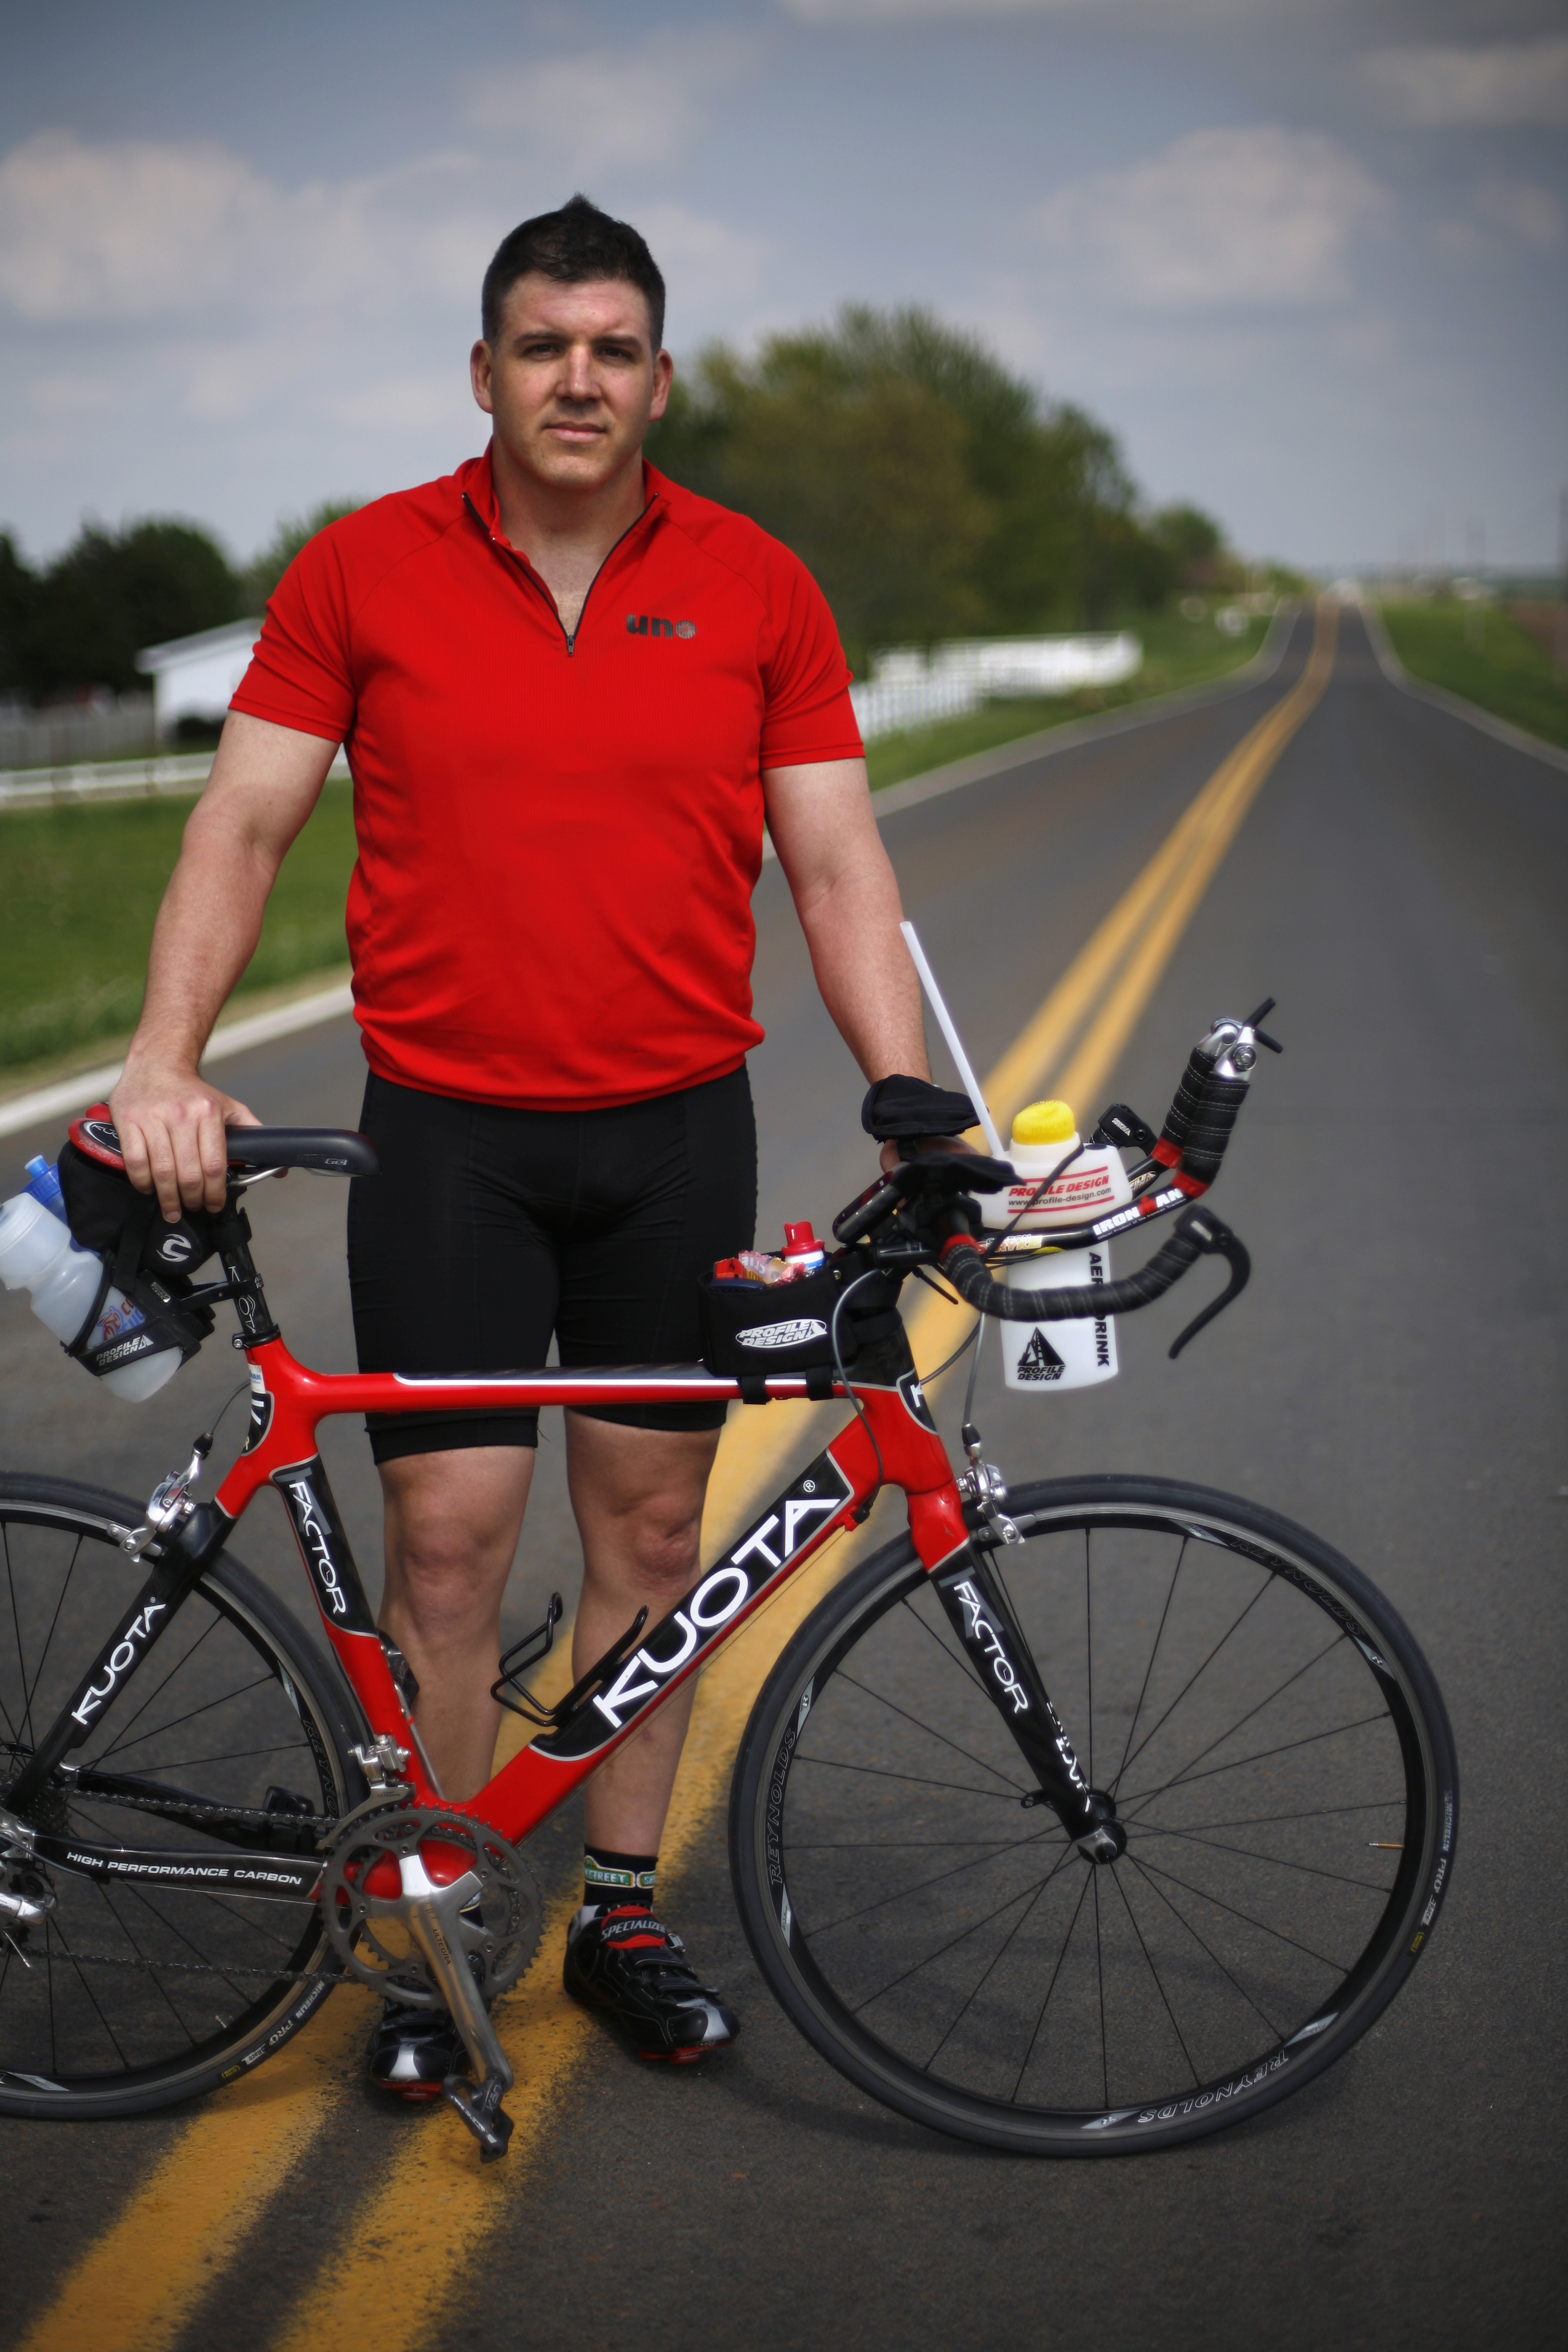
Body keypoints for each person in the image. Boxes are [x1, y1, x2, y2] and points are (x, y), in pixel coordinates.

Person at [109, 194, 953, 2094]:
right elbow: (241, 824)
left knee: (653, 1532)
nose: (580, 377)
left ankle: (622, 1915)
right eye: (544, 346)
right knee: (448, 1545)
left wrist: (908, 1097)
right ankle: (440, 1926)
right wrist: (164, 1058)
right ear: (482, 371)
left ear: (662, 379)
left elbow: (835, 861)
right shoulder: (360, 572)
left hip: (675, 1135)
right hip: (448, 1143)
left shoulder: (756, 584)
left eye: (614, 348)